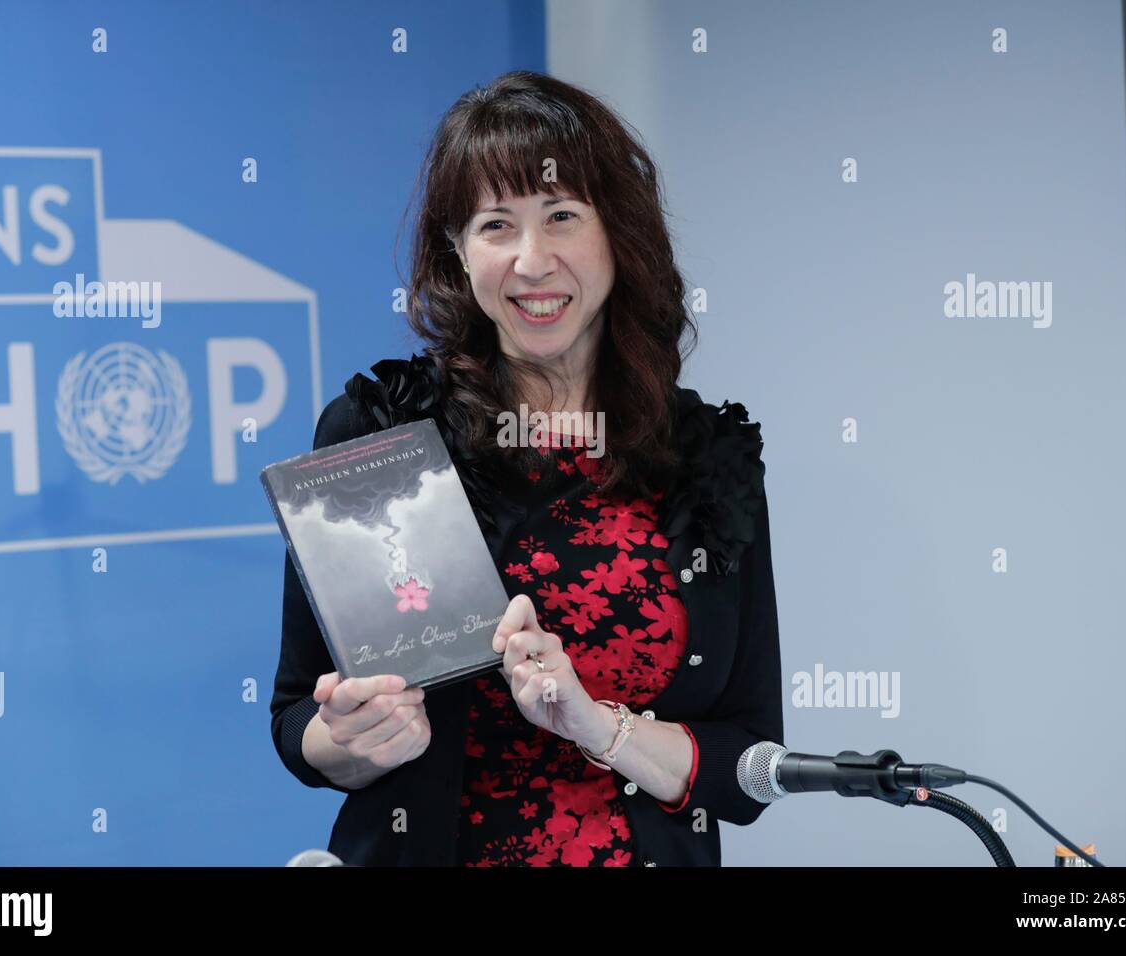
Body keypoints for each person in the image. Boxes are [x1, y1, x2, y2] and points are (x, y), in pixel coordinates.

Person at [270, 71, 783, 866]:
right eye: (496, 225)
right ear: (459, 248)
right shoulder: (381, 430)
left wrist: (595, 724)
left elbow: (748, 766)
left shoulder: (705, 457)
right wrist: (352, 740)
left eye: (563, 217)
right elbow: (297, 720)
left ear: (620, 235)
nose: (531, 261)